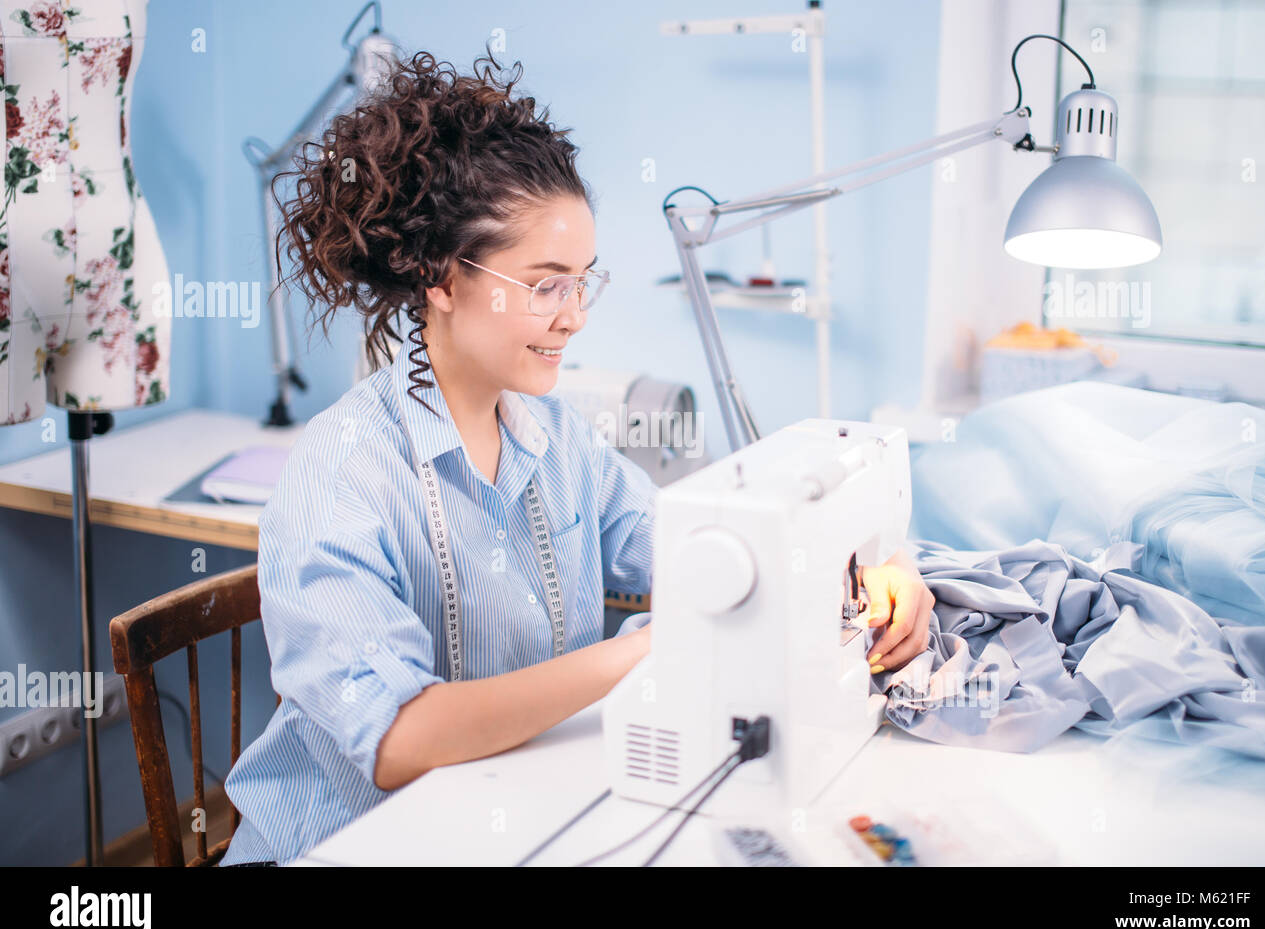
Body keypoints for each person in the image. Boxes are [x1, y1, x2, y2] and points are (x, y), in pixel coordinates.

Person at [220, 49, 934, 866]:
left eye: (583, 282)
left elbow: (708, 550)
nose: (575, 316)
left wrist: (878, 566)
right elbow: (394, 739)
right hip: (348, 846)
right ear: (439, 278)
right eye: (545, 284)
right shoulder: (342, 473)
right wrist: (636, 651)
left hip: (500, 819)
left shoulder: (556, 441)